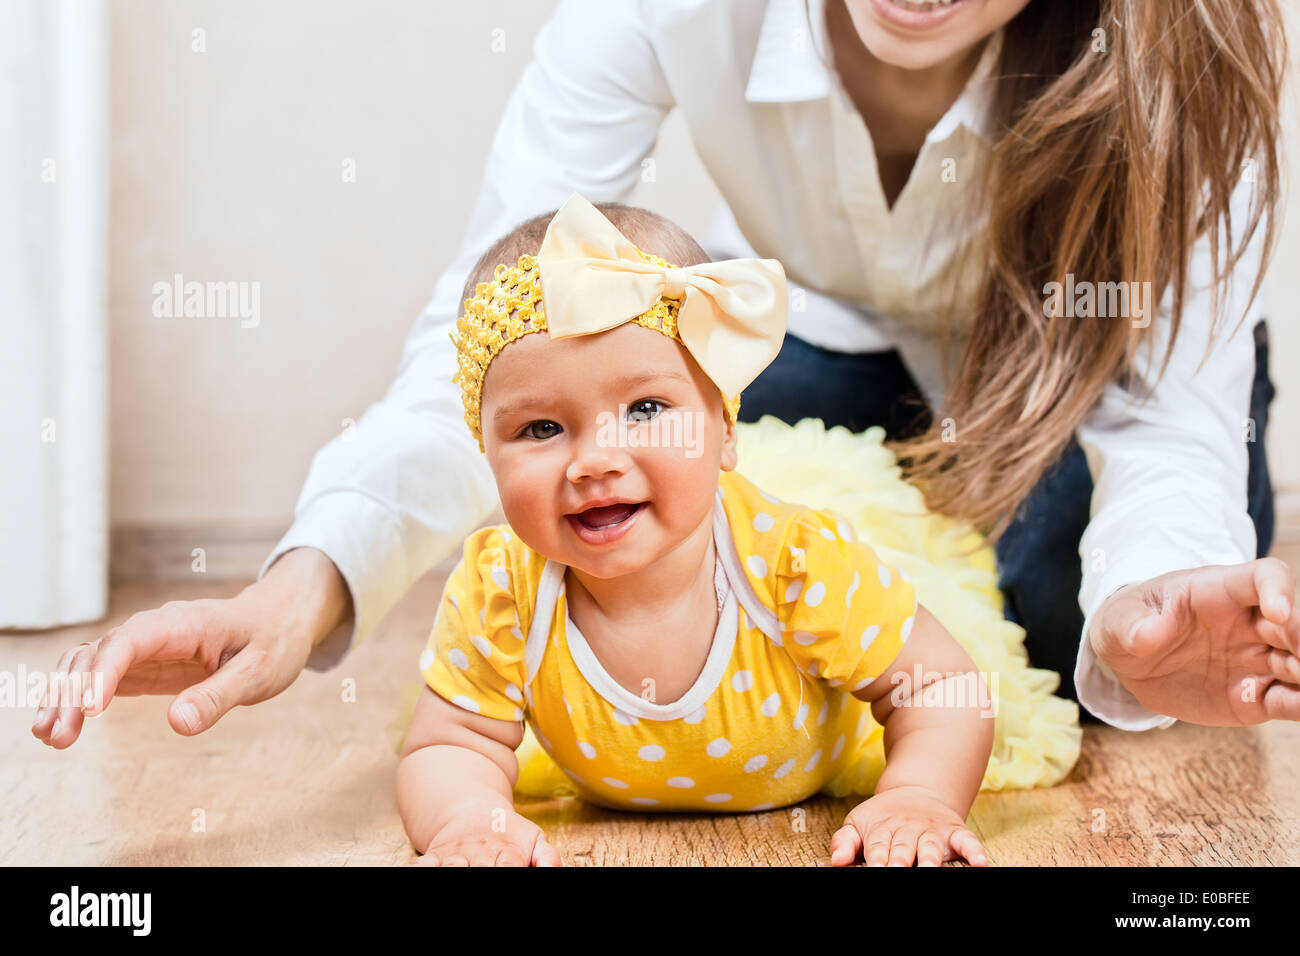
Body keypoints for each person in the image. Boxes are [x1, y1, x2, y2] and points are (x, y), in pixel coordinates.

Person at [34, 0, 1297, 750]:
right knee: (667, 529)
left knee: (1065, 626)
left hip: (1080, 376)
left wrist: (1144, 608)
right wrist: (301, 587)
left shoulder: (1180, 55)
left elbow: (1168, 423)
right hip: (832, 339)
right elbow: (496, 332)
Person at [399, 192, 1001, 866]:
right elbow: (452, 743)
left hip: (812, 776)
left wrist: (920, 792)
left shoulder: (792, 562)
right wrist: (468, 819)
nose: (595, 461)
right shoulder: (503, 590)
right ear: (485, 447)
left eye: (646, 408)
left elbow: (939, 686)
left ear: (722, 431)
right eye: (541, 428)